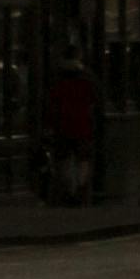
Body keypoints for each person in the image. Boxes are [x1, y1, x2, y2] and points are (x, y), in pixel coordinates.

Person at [45, 46, 100, 207]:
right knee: (83, 159)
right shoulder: (88, 77)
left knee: (63, 160)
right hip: (83, 124)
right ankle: (79, 188)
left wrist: (49, 124)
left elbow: (50, 102)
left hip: (62, 124)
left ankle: (69, 190)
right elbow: (96, 100)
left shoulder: (56, 77)